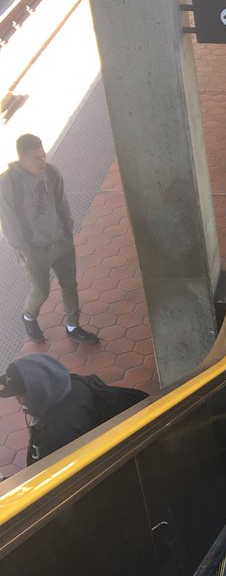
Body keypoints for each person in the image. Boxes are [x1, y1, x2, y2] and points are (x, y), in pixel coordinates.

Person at [0, 134, 98, 345]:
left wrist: (67, 231)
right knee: (41, 291)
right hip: (35, 251)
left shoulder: (51, 172)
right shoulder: (8, 184)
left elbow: (62, 203)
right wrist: (25, 251)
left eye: (43, 155)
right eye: (36, 158)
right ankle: (29, 316)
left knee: (70, 285)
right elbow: (9, 224)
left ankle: (73, 326)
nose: (42, 161)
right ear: (22, 159)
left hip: (61, 242)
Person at [0, 354, 147, 465]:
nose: (17, 399)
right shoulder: (68, 384)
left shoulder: (55, 435)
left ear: (38, 392)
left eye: (20, 394)